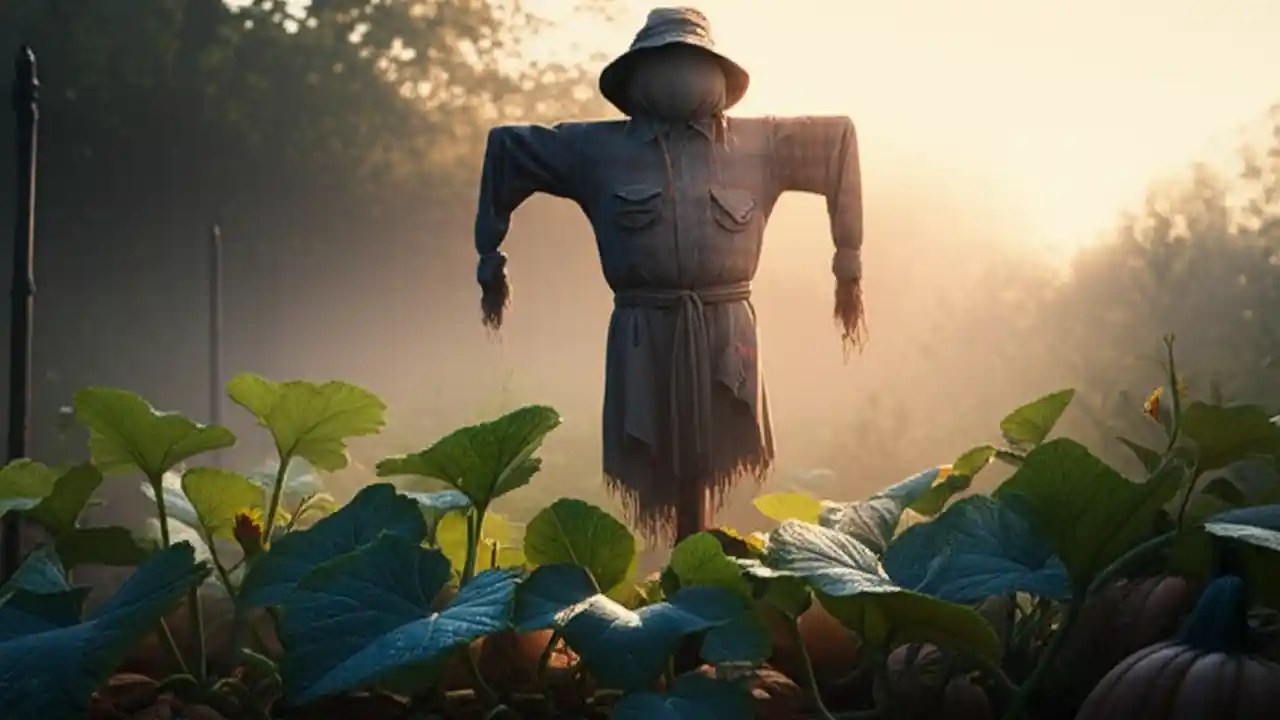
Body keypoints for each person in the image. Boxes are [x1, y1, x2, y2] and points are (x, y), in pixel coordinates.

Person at [474, 7, 865, 543]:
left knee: (711, 456)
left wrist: (849, 262)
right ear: (636, 78)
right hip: (643, 328)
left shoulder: (761, 143)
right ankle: (679, 582)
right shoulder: (597, 148)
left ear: (718, 76)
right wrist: (489, 252)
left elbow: (838, 140)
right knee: (655, 445)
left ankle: (701, 567)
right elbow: (508, 148)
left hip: (727, 328)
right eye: (665, 63)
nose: (679, 77)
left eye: (690, 62)